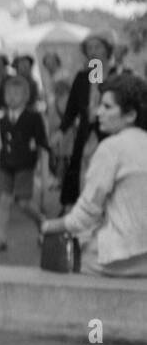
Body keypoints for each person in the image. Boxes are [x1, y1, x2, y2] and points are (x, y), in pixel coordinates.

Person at [41, 72, 147, 277]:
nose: (98, 112)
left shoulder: (111, 148)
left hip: (120, 255)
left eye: (107, 107)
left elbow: (86, 213)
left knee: (65, 261)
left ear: (131, 115)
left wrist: (50, 225)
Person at [0, 73, 48, 252]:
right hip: (6, 162)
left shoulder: (33, 117)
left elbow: (41, 139)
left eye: (16, 94)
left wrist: (40, 159)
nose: (12, 98)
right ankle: (1, 239)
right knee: (4, 200)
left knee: (23, 202)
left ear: (25, 97)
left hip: (24, 163)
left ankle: (42, 221)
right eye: (9, 94)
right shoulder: (3, 118)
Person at [58, 32, 119, 209]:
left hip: (111, 136)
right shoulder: (82, 77)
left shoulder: (120, 76)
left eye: (97, 47)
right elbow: (71, 110)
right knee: (82, 178)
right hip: (86, 137)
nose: (93, 51)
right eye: (89, 48)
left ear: (107, 50)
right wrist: (60, 131)